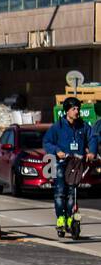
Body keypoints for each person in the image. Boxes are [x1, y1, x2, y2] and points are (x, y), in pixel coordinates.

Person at [43, 97, 98, 238]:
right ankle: (60, 219)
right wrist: (56, 151)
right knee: (60, 192)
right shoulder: (58, 127)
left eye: (78, 108)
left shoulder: (84, 126)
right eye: (74, 109)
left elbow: (92, 138)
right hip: (61, 164)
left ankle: (70, 217)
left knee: (72, 195)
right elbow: (47, 142)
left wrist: (92, 152)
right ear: (67, 111)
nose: (77, 111)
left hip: (77, 164)